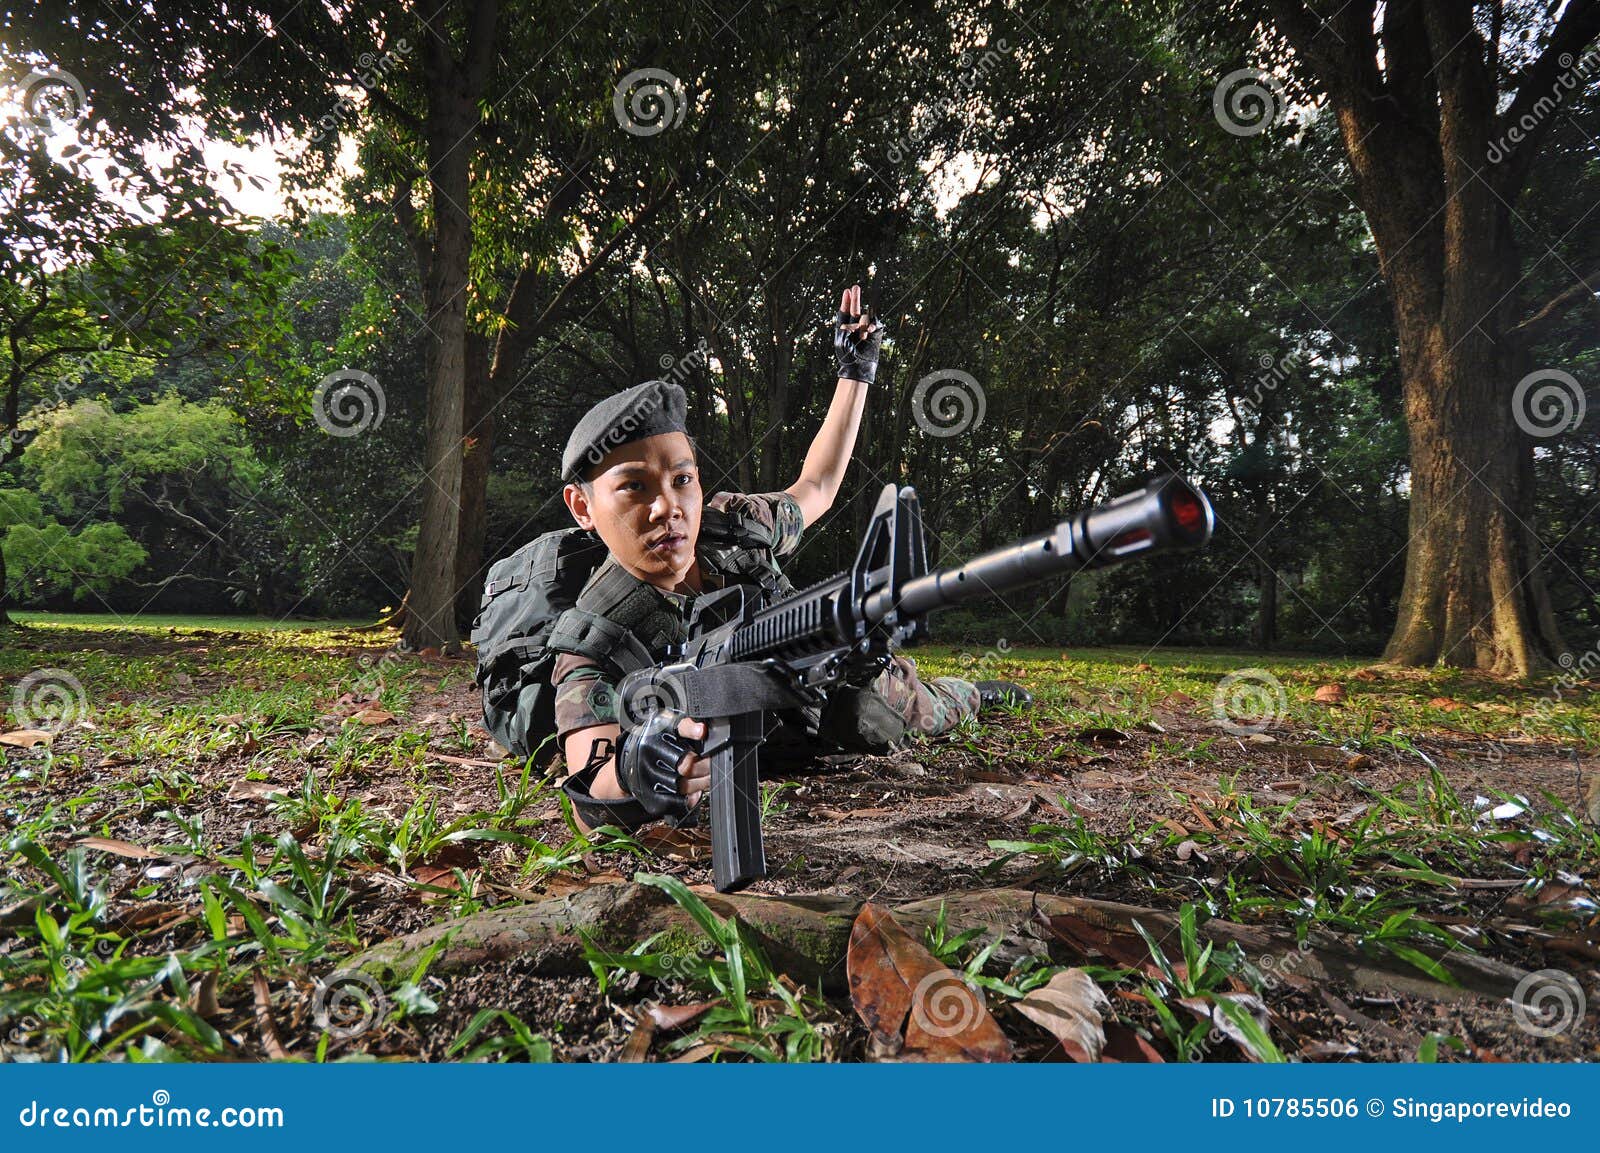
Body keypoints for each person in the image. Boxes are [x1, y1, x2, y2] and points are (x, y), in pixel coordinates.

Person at [552, 285, 1031, 832]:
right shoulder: (597, 631)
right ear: (582, 507)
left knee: (900, 708)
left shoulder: (737, 524)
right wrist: (640, 764)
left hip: (812, 694)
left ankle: (970, 693)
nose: (669, 508)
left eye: (683, 480)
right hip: (762, 745)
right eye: (634, 487)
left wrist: (856, 373)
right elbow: (590, 789)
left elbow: (819, 486)